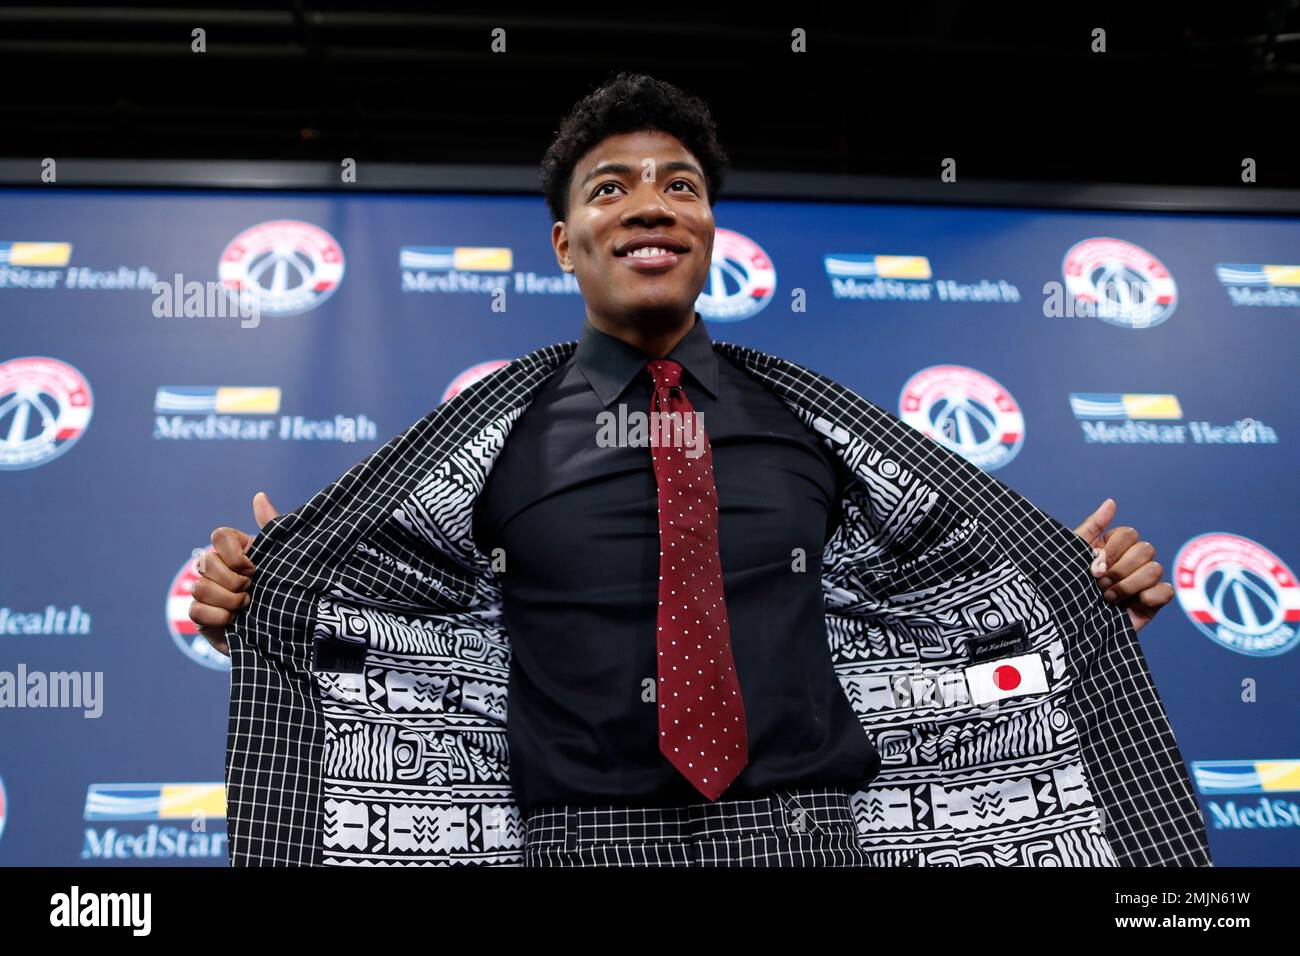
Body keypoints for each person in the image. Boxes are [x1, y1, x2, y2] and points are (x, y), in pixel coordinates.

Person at [189, 72, 1177, 867]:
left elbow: (933, 598)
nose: (648, 206)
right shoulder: (492, 439)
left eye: (680, 184)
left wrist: (1071, 593)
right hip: (580, 843)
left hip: (805, 837)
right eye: (609, 188)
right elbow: (386, 617)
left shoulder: (810, 424)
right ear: (565, 243)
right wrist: (275, 588)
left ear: (707, 231)